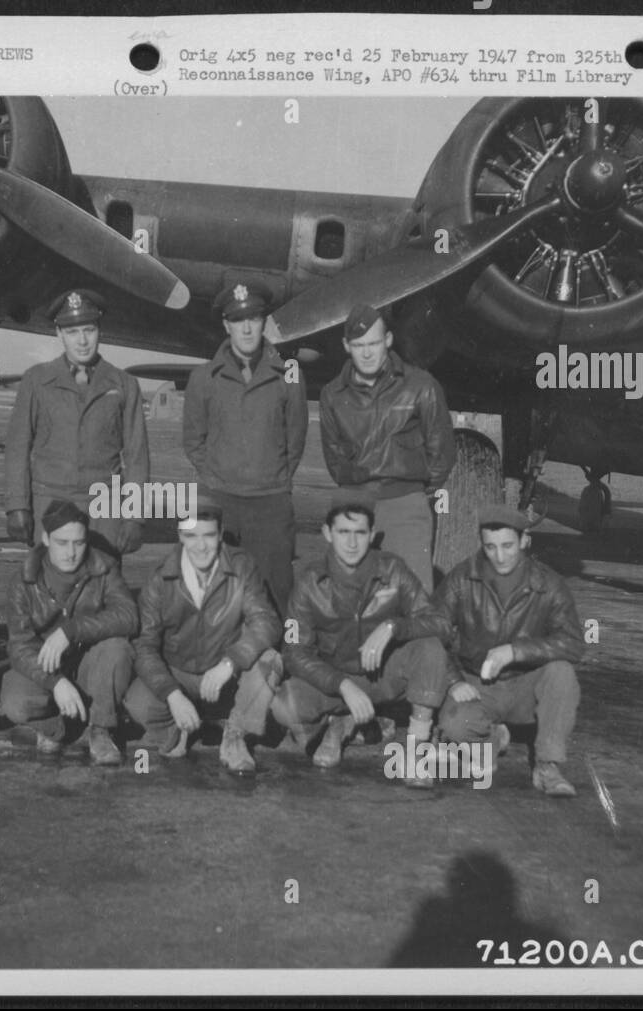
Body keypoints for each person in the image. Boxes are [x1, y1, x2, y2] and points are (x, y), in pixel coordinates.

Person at [272, 489, 452, 785]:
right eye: (343, 532)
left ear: (371, 535)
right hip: (335, 682)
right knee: (283, 704)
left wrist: (394, 626)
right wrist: (340, 684)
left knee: (429, 646)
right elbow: (294, 651)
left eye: (360, 532)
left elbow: (440, 623)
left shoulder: (393, 569)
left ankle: (416, 751)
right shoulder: (309, 581)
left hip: (385, 679)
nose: (352, 542)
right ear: (327, 533)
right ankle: (339, 723)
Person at [431, 506, 583, 796]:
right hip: (478, 684)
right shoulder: (462, 579)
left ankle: (547, 765)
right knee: (453, 727)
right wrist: (454, 681)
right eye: (490, 547)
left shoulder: (548, 583)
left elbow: (573, 643)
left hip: (528, 685)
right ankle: (491, 738)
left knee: (562, 673)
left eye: (508, 546)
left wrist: (514, 651)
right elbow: (432, 634)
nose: (500, 556)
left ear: (525, 540)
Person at [125, 500, 282, 774]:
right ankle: (180, 726)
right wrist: (172, 695)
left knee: (271, 662)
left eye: (208, 536)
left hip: (225, 675)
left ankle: (235, 734)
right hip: (180, 673)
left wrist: (230, 663)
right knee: (138, 703)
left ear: (220, 535)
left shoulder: (242, 567)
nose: (201, 546)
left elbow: (266, 622)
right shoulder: (161, 579)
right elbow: (144, 646)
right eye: (192, 536)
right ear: (180, 537)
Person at [182, 279, 307, 611]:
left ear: (264, 321)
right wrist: (219, 477)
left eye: (254, 318)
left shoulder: (289, 374)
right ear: (227, 325)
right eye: (238, 320)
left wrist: (272, 477)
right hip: (220, 498)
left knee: (276, 589)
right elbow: (193, 441)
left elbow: (295, 438)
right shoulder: (203, 378)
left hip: (270, 502)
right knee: (214, 589)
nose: (247, 329)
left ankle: (277, 660)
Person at [319, 303, 456, 591]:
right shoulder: (332, 395)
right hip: (355, 505)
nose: (367, 353)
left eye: (374, 343)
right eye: (358, 345)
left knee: (414, 599)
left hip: (405, 507)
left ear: (389, 341)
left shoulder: (421, 386)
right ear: (346, 346)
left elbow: (442, 452)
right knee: (351, 600)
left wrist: (414, 494)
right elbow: (334, 459)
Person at [5, 289, 150, 557]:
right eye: (72, 332)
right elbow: (17, 447)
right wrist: (17, 506)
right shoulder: (36, 381)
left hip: (103, 507)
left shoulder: (124, 384)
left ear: (99, 330)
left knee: (103, 585)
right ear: (59, 334)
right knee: (49, 586)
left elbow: (137, 455)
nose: (82, 341)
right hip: (49, 502)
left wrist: (134, 516)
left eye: (89, 330)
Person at [0, 499, 139, 765]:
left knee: (117, 648)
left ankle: (100, 728)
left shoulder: (104, 568)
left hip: (89, 667)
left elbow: (129, 616)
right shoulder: (23, 579)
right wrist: (55, 682)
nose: (71, 552)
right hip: (45, 670)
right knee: (16, 702)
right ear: (45, 539)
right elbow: (18, 647)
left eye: (78, 543)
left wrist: (71, 630)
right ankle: (56, 729)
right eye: (62, 543)